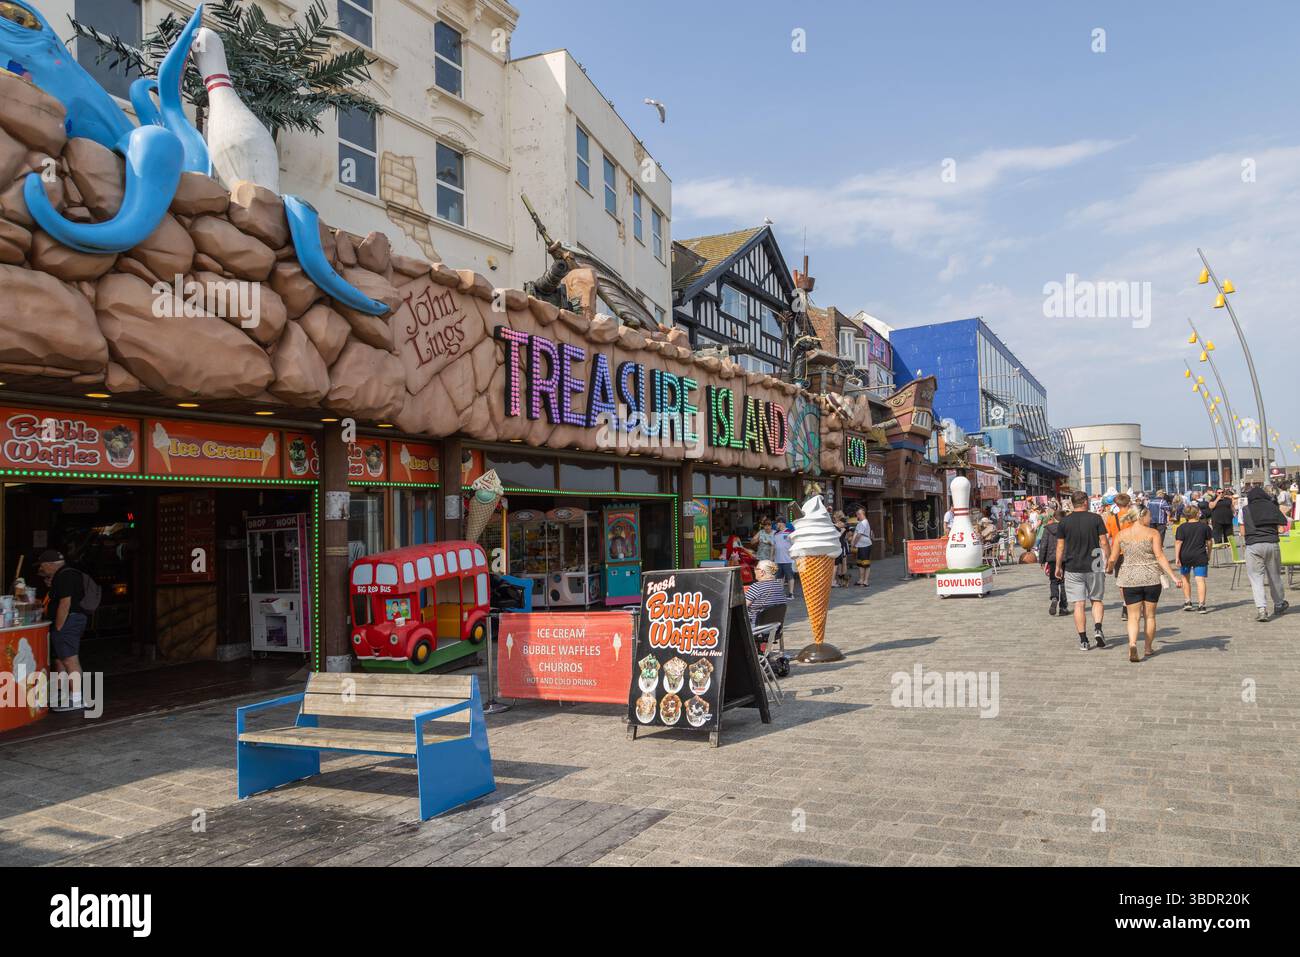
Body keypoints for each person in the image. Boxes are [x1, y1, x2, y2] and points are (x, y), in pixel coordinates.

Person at [1110, 507, 1184, 662]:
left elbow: (1113, 558)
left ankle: (1132, 643)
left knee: (1133, 617)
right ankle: (1148, 648)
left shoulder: (1121, 535)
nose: (1150, 519)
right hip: (1151, 578)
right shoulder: (1153, 533)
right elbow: (1159, 556)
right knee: (1150, 616)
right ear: (1142, 516)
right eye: (1149, 516)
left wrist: (1109, 569)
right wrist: (1173, 576)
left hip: (1129, 578)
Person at [1056, 490, 1111, 651]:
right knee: (1097, 600)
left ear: (1073, 503)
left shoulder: (1064, 522)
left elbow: (1060, 546)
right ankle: (1098, 628)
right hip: (1095, 562)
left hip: (1073, 565)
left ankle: (1084, 640)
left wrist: (1058, 566)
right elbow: (1104, 542)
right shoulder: (1095, 519)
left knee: (1079, 604)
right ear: (1085, 502)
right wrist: (1109, 560)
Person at [37, 550, 87, 712]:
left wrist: (58, 627)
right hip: (71, 620)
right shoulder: (66, 575)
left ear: (50, 564)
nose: (42, 569)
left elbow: (65, 603)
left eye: (42, 566)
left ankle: (77, 699)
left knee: (69, 659)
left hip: (68, 621)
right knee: (61, 659)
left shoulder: (65, 576)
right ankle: (65, 694)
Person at [1242, 484, 1290, 622]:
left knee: (1256, 578)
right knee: (1274, 576)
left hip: (1253, 546)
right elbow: (1283, 521)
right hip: (1271, 543)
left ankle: (1262, 609)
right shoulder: (1271, 507)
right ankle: (1279, 603)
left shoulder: (1246, 509)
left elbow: (1244, 528)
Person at [1174, 504, 1212, 613]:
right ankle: (1201, 605)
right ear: (1197, 514)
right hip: (1200, 555)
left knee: (1185, 579)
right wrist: (1209, 554)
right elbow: (1209, 542)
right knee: (1200, 580)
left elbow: (1178, 542)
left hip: (1185, 555)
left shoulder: (1181, 528)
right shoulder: (1205, 527)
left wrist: (1177, 557)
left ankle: (1188, 601)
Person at [744, 560, 789, 629]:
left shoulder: (756, 587)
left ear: (762, 572)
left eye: (756, 569)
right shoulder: (780, 586)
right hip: (775, 627)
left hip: (756, 629)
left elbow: (743, 606)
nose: (754, 571)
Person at [1038, 508, 1065, 615]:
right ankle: (1063, 607)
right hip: (1065, 558)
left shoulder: (1048, 529)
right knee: (1064, 583)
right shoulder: (1067, 528)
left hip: (1052, 558)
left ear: (1054, 518)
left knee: (1053, 580)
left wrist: (1042, 560)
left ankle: (1054, 598)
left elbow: (1043, 545)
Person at [852, 506, 873, 587]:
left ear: (861, 514)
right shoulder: (860, 523)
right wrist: (854, 543)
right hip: (860, 545)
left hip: (865, 545)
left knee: (866, 563)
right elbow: (856, 533)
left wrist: (854, 543)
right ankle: (861, 580)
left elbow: (859, 535)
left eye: (857, 515)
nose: (857, 516)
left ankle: (866, 581)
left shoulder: (864, 522)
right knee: (860, 563)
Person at [773, 521, 795, 598]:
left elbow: (794, 544)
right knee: (779, 578)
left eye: (777, 523)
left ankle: (791, 594)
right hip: (778, 560)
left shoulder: (790, 532)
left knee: (790, 577)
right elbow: (774, 546)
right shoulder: (776, 534)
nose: (776, 525)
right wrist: (772, 558)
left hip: (788, 559)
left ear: (781, 523)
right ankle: (780, 594)